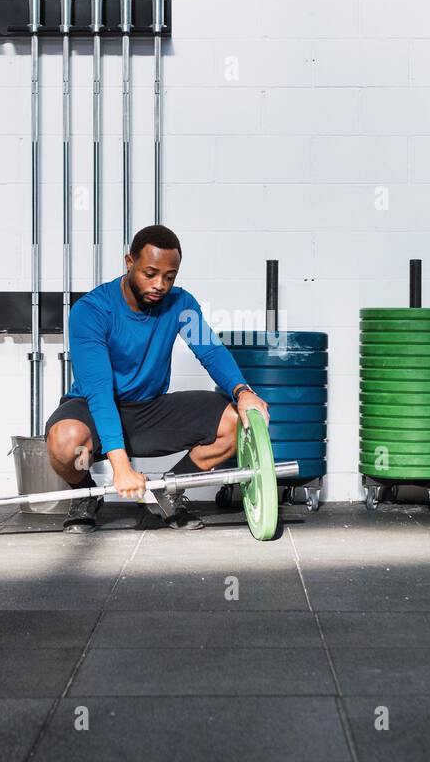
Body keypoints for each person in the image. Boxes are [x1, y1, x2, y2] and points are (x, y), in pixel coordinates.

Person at [45, 225, 270, 533]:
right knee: (65, 442)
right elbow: (99, 392)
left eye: (169, 276)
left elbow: (210, 351)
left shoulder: (180, 305)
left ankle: (166, 493)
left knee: (233, 421)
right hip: (93, 408)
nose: (160, 284)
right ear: (129, 263)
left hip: (148, 410)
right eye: (150, 273)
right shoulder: (91, 310)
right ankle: (84, 495)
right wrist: (121, 468)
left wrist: (243, 391)